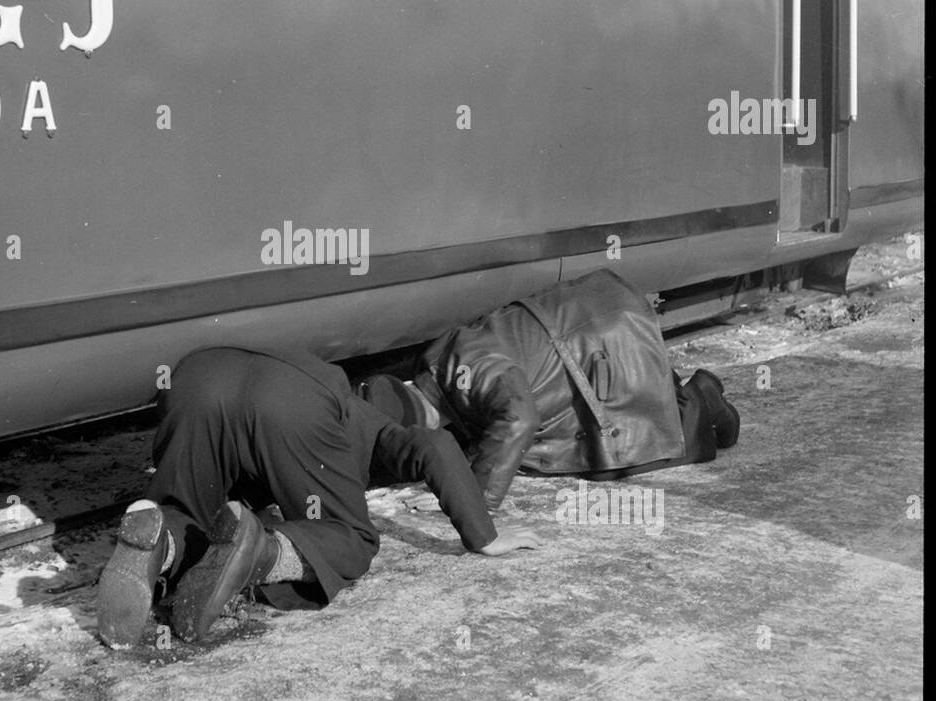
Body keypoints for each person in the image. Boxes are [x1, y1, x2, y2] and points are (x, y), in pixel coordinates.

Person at [97, 345, 535, 647]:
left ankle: (159, 541)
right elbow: (435, 446)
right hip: (287, 401)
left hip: (197, 375)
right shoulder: (379, 429)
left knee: (186, 509)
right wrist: (483, 534)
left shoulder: (350, 404)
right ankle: (261, 552)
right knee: (351, 539)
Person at [357, 269, 740, 511]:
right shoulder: (438, 366)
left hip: (602, 335)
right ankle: (684, 396)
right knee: (574, 452)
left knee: (633, 452)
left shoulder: (468, 371)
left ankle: (705, 397)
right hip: (583, 340)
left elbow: (518, 419)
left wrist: (473, 498)